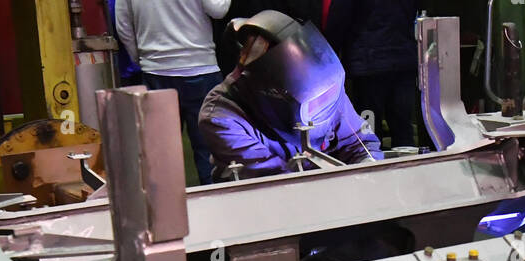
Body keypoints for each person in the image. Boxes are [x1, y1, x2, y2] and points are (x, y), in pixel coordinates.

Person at [198, 10, 382, 181]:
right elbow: (277, 181)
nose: (319, 109)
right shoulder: (222, 115)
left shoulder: (326, 85)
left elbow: (360, 142)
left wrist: (369, 173)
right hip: (264, 206)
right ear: (271, 90)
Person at [115, 0, 231, 184]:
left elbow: (123, 24)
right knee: (210, 154)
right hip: (200, 69)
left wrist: (142, 58)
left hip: (155, 72)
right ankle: (215, 205)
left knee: (161, 157)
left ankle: (166, 208)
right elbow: (218, 9)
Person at [325, 0, 421, 149]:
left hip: (368, 65)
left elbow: (338, 21)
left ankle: (370, 163)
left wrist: (328, 56)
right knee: (403, 129)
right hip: (402, 60)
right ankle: (409, 168)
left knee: (368, 130)